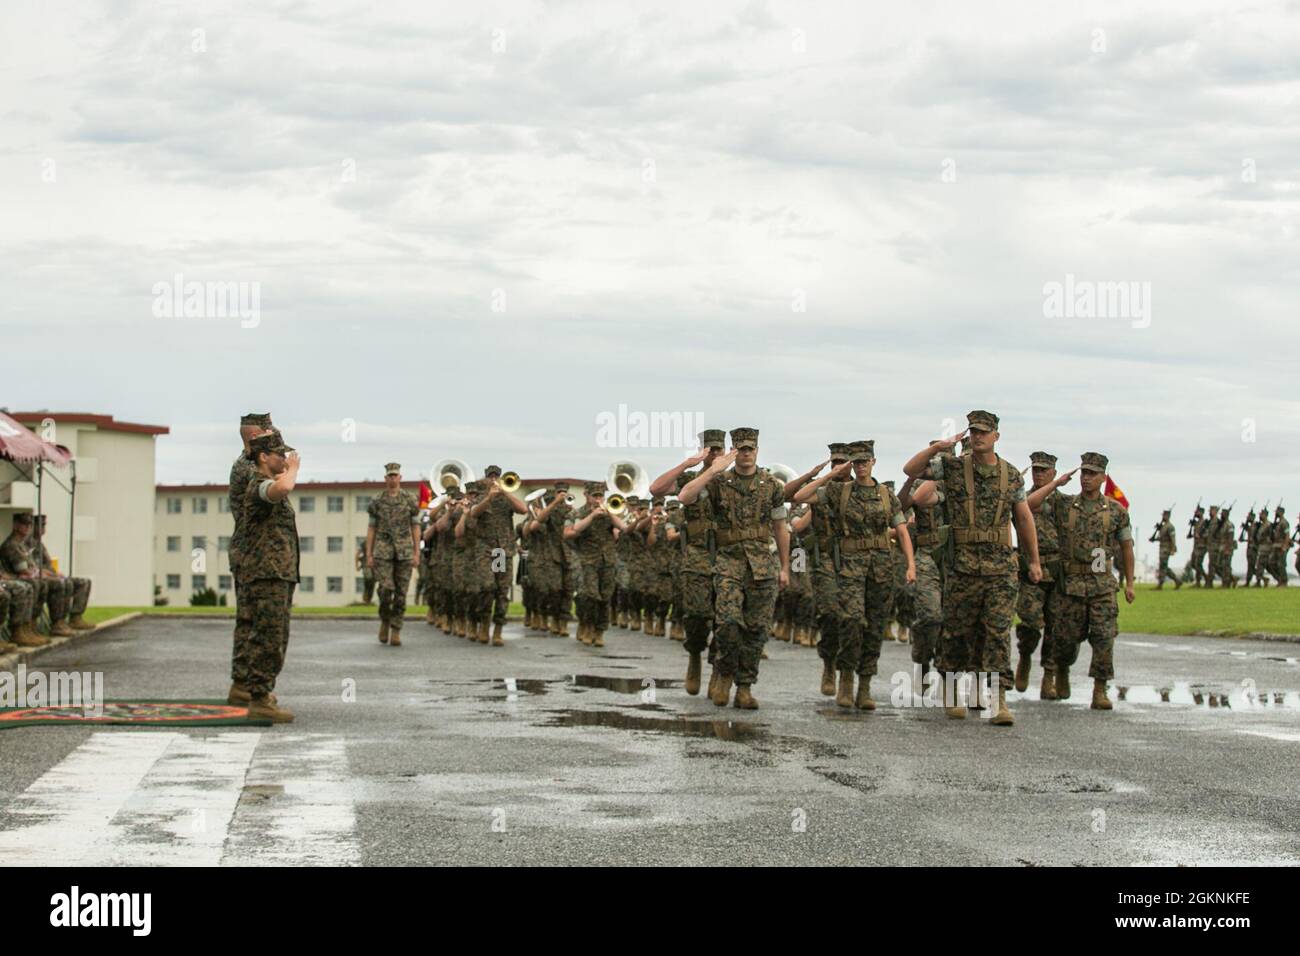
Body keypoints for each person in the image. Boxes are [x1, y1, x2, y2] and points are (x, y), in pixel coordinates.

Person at [903, 411, 1041, 726]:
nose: (978, 437)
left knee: (997, 632)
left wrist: (1033, 560)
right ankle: (952, 689)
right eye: (974, 431)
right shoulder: (953, 468)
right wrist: (939, 447)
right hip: (963, 566)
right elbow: (910, 470)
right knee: (956, 631)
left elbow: (1023, 518)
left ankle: (998, 699)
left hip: (1001, 567)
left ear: (996, 436)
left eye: (984, 432)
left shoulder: (1011, 475)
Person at [794, 440, 914, 710]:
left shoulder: (886, 495)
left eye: (865, 461)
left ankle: (865, 685)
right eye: (856, 462)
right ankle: (845, 677)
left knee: (874, 627)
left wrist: (910, 565)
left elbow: (902, 530)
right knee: (851, 620)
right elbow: (800, 497)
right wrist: (831, 475)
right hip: (849, 568)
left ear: (873, 462)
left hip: (881, 569)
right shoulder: (839, 491)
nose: (861, 467)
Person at [677, 427, 789, 710]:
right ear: (733, 452)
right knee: (727, 624)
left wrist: (786, 567)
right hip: (728, 563)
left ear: (757, 451)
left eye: (750, 449)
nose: (746, 454)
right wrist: (714, 470)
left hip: (762, 566)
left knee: (757, 630)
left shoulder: (772, 486)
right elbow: (685, 497)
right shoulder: (719, 482)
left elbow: (780, 527)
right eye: (741, 449)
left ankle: (745, 688)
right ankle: (724, 673)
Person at [1027, 453, 1135, 711]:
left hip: (1102, 586)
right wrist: (1056, 483)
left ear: (1103, 477)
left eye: (1092, 474)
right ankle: (1062, 668)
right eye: (1084, 473)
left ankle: (1100, 689)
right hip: (1070, 585)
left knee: (1104, 637)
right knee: (1064, 639)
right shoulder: (1065, 504)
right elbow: (1030, 504)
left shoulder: (1116, 512)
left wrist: (1130, 583)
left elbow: (1126, 547)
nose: (1086, 478)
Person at [648, 430, 727, 693]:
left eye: (719, 449)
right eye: (710, 449)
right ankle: (694, 655)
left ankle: (717, 666)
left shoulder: (733, 478)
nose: (715, 454)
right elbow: (656, 489)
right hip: (697, 556)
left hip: (729, 556)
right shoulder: (690, 478)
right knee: (696, 615)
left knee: (726, 619)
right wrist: (687, 464)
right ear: (703, 451)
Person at [238, 432, 301, 722]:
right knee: (268, 636)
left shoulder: (267, 481)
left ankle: (261, 693)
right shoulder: (258, 484)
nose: (285, 459)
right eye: (280, 454)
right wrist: (293, 469)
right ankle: (259, 699)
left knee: (276, 635)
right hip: (267, 574)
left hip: (277, 573)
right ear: (264, 457)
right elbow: (283, 488)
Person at [228, 413, 273, 704]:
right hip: (250, 554)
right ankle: (243, 684)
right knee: (251, 620)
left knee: (253, 620)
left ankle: (245, 683)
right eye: (268, 432)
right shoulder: (247, 468)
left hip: (257, 552)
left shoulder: (253, 464)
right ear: (256, 437)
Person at [1013, 452, 1064, 697]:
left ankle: (1049, 676)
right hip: (1030, 571)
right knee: (1030, 622)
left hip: (1056, 571)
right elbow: (1025, 509)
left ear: (1054, 473)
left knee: (1056, 626)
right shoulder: (1021, 498)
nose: (1039, 474)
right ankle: (1025, 656)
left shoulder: (1065, 503)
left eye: (1044, 470)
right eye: (1036, 470)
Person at [563, 482, 629, 646]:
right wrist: (592, 516)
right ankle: (587, 625)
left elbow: (624, 528)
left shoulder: (609, 512)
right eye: (595, 496)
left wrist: (609, 513)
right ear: (587, 495)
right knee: (590, 596)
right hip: (587, 561)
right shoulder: (577, 513)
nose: (598, 499)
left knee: (605, 597)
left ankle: (599, 631)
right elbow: (571, 531)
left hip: (608, 561)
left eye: (601, 496)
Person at [366, 463, 420, 646]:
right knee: (385, 589)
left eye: (395, 475)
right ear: (385, 478)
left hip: (404, 552)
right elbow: (371, 528)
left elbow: (415, 526)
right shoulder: (377, 501)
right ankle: (385, 620)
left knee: (401, 593)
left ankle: (396, 629)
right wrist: (369, 554)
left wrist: (416, 553)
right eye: (390, 475)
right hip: (383, 551)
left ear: (400, 477)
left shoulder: (410, 499)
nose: (392, 478)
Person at [474, 465, 528, 643]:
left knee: (502, 590)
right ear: (486, 479)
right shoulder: (480, 496)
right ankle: (483, 623)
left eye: (496, 476)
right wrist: (489, 497)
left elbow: (523, 509)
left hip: (501, 552)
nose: (494, 479)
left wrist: (505, 493)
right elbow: (474, 513)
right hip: (486, 550)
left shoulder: (506, 498)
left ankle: (498, 630)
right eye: (491, 476)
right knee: (487, 587)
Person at [1, 514, 68, 637]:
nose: (27, 527)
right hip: (16, 578)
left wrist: (49, 573)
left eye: (29, 524)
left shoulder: (22, 545)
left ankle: (33, 625)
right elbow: (23, 570)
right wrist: (42, 574)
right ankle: (19, 630)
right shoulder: (11, 545)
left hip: (17, 578)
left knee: (56, 582)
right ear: (15, 525)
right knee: (31, 586)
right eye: (24, 524)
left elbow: (33, 568)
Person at [29, 515, 94, 631]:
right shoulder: (28, 544)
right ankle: (58, 622)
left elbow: (47, 565)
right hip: (39, 577)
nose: (43, 529)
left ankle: (75, 617)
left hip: (50, 575)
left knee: (84, 582)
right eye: (40, 525)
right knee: (62, 584)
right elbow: (34, 569)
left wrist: (56, 573)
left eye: (44, 525)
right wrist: (53, 575)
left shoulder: (39, 544)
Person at [1153, 508, 1180, 590]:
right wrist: (1154, 539)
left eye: (1164, 515)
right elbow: (1162, 538)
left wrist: (1172, 549)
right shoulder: (1164, 526)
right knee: (1164, 567)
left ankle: (1160, 584)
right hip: (1162, 548)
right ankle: (1177, 581)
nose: (1163, 517)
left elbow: (1173, 539)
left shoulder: (1170, 526)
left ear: (1168, 516)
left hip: (1166, 549)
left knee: (1163, 566)